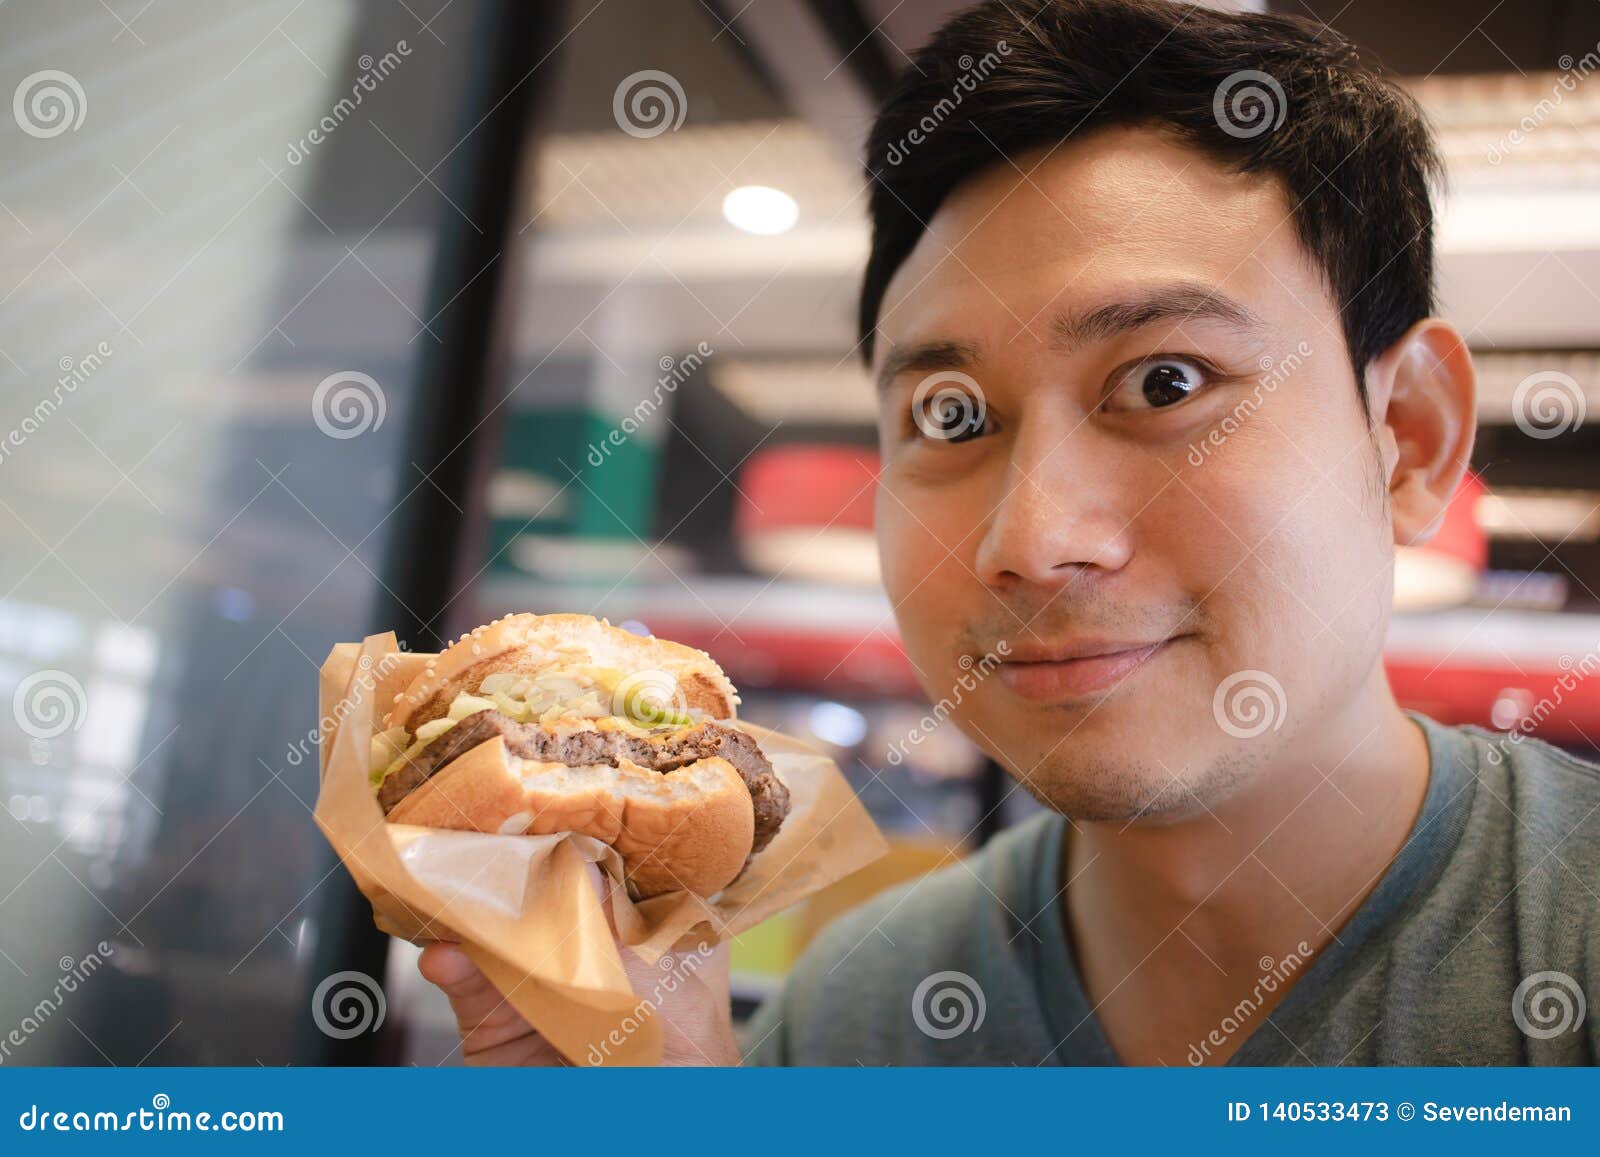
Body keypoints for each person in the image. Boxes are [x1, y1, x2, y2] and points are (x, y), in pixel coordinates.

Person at [421, 0, 1600, 1065]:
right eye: (950, 415)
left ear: (1409, 432)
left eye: (1164, 380)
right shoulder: (858, 1008)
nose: (1031, 538)